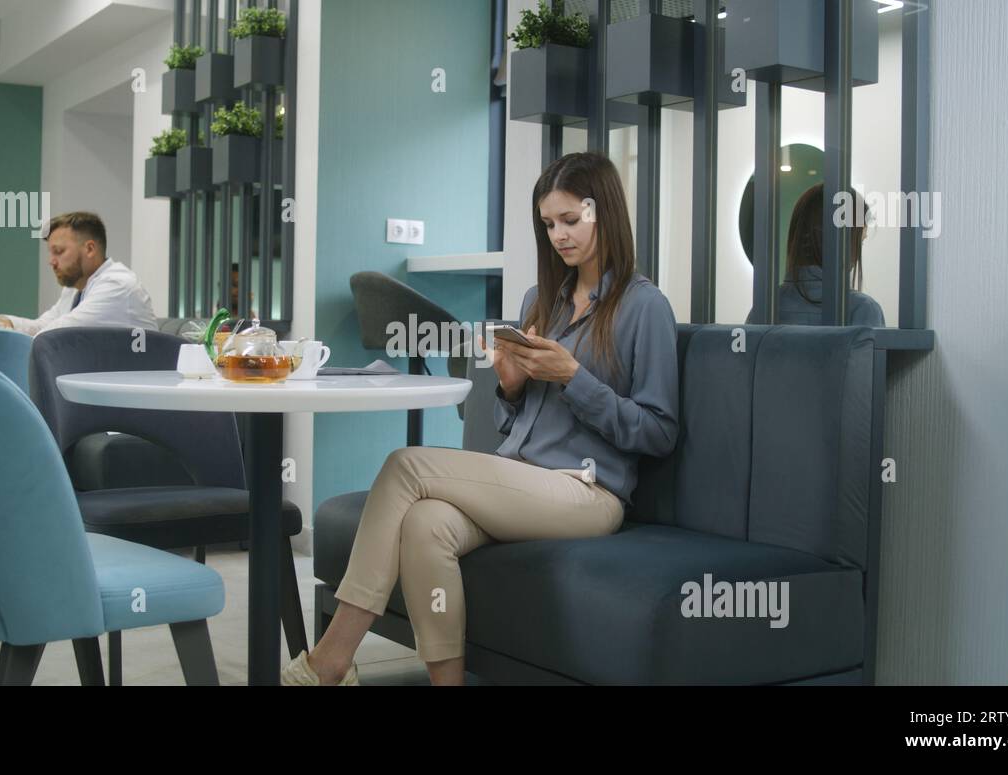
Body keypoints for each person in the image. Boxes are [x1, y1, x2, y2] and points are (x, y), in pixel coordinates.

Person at [282, 152, 680, 686]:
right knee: (425, 526)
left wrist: (573, 377)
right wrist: (512, 387)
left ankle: (331, 659)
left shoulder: (644, 305)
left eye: (569, 220)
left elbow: (658, 431)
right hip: (522, 478)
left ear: (602, 211)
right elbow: (516, 416)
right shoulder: (543, 299)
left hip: (587, 494)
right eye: (548, 224)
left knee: (406, 465)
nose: (558, 235)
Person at [746, 183, 886, 327]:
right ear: (843, 242)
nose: (856, 255)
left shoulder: (765, 307)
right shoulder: (863, 310)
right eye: (859, 243)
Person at [0, 211, 157, 335]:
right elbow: (45, 324)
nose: (51, 261)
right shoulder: (75, 288)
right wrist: (10, 323)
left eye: (58, 251)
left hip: (132, 378)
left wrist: (14, 335)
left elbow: (58, 334)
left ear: (90, 249)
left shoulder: (118, 285)